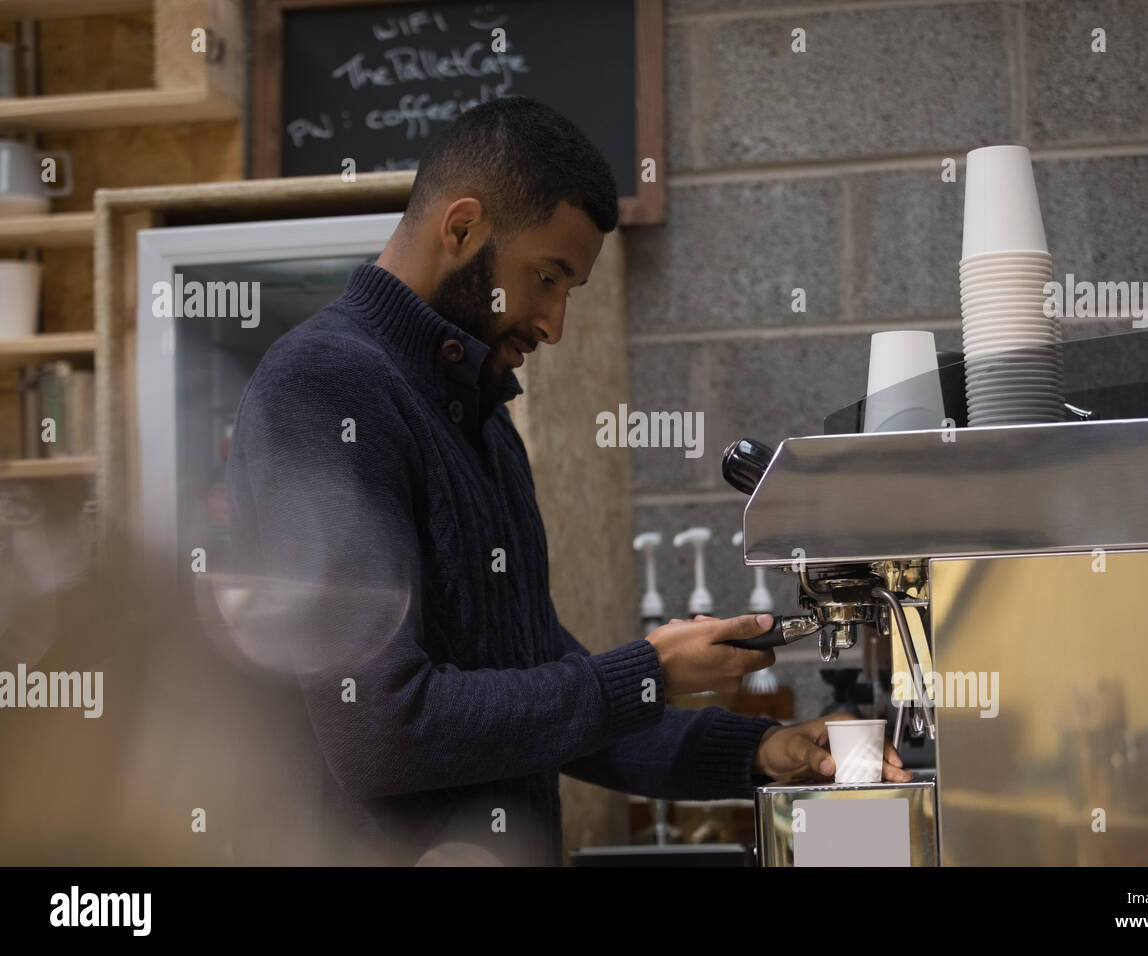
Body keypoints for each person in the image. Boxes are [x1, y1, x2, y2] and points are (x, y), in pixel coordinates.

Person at [226, 96, 909, 866]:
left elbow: (550, 700)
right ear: (461, 229)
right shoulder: (325, 389)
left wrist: (760, 751)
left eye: (567, 292)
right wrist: (647, 671)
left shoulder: (482, 418)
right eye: (545, 278)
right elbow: (383, 730)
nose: (553, 324)